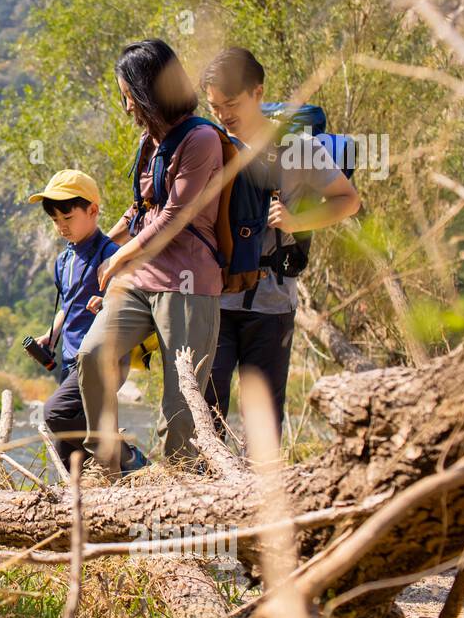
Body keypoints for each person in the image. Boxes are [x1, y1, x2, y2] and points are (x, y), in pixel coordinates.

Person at [77, 38, 225, 474]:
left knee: (181, 405)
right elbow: (145, 206)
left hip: (188, 285)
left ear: (147, 92)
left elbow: (175, 218)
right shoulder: (150, 141)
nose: (126, 107)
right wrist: (109, 240)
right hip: (142, 281)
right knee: (93, 353)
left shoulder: (200, 140)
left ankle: (178, 496)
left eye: (128, 96)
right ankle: (109, 462)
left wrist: (119, 257)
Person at [199, 47, 360, 435]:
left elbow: (348, 200)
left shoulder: (298, 149)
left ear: (258, 93)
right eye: (214, 107)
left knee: (265, 423)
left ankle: (266, 492)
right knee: (206, 417)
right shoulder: (211, 146)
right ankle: (207, 492)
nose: (223, 115)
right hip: (214, 300)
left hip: (272, 303)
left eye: (231, 103)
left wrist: (297, 220)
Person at [27, 169, 149, 473]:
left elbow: (134, 300)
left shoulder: (113, 254)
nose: (61, 228)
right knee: (68, 456)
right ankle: (94, 504)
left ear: (92, 210)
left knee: (55, 413)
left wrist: (109, 301)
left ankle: (126, 454)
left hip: (102, 358)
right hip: (69, 359)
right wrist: (49, 336)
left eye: (67, 219)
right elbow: (68, 305)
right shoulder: (63, 261)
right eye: (55, 221)